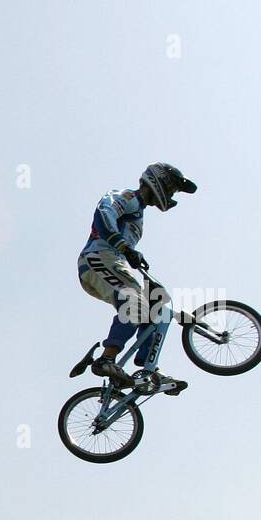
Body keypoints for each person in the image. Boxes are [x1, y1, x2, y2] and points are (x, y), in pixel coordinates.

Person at [77, 163, 198, 390]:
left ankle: (147, 370)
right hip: (97, 258)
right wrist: (123, 246)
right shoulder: (127, 196)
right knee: (134, 301)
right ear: (158, 180)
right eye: (171, 188)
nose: (170, 194)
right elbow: (104, 214)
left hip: (114, 262)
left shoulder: (139, 216)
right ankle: (106, 359)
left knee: (157, 308)